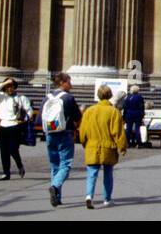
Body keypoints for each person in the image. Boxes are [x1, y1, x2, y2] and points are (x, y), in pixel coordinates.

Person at [78, 84, 127, 209]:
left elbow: (82, 131)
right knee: (108, 173)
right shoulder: (114, 112)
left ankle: (89, 196)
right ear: (110, 95)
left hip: (92, 146)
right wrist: (122, 147)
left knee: (91, 173)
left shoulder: (89, 111)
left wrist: (84, 143)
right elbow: (118, 132)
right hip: (108, 147)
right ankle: (107, 199)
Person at [43, 72, 82, 207]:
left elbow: (39, 119)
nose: (71, 84)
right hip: (65, 133)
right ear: (61, 83)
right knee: (65, 164)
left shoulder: (47, 98)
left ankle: (57, 198)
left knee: (55, 165)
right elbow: (78, 117)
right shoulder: (68, 98)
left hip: (50, 133)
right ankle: (55, 186)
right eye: (69, 82)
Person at [0, 77, 32, 181]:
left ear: (15, 87)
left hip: (15, 125)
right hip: (3, 125)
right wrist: (5, 82)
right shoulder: (1, 97)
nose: (9, 88)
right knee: (4, 150)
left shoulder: (21, 98)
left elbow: (29, 110)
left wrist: (24, 119)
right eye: (7, 86)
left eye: (11, 86)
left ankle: (19, 165)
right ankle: (6, 172)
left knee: (13, 149)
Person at [122, 84, 145, 148]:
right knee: (137, 129)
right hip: (137, 114)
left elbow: (125, 107)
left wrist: (124, 116)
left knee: (128, 129)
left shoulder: (128, 97)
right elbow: (142, 107)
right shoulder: (140, 97)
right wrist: (142, 114)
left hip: (129, 114)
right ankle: (138, 143)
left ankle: (127, 143)